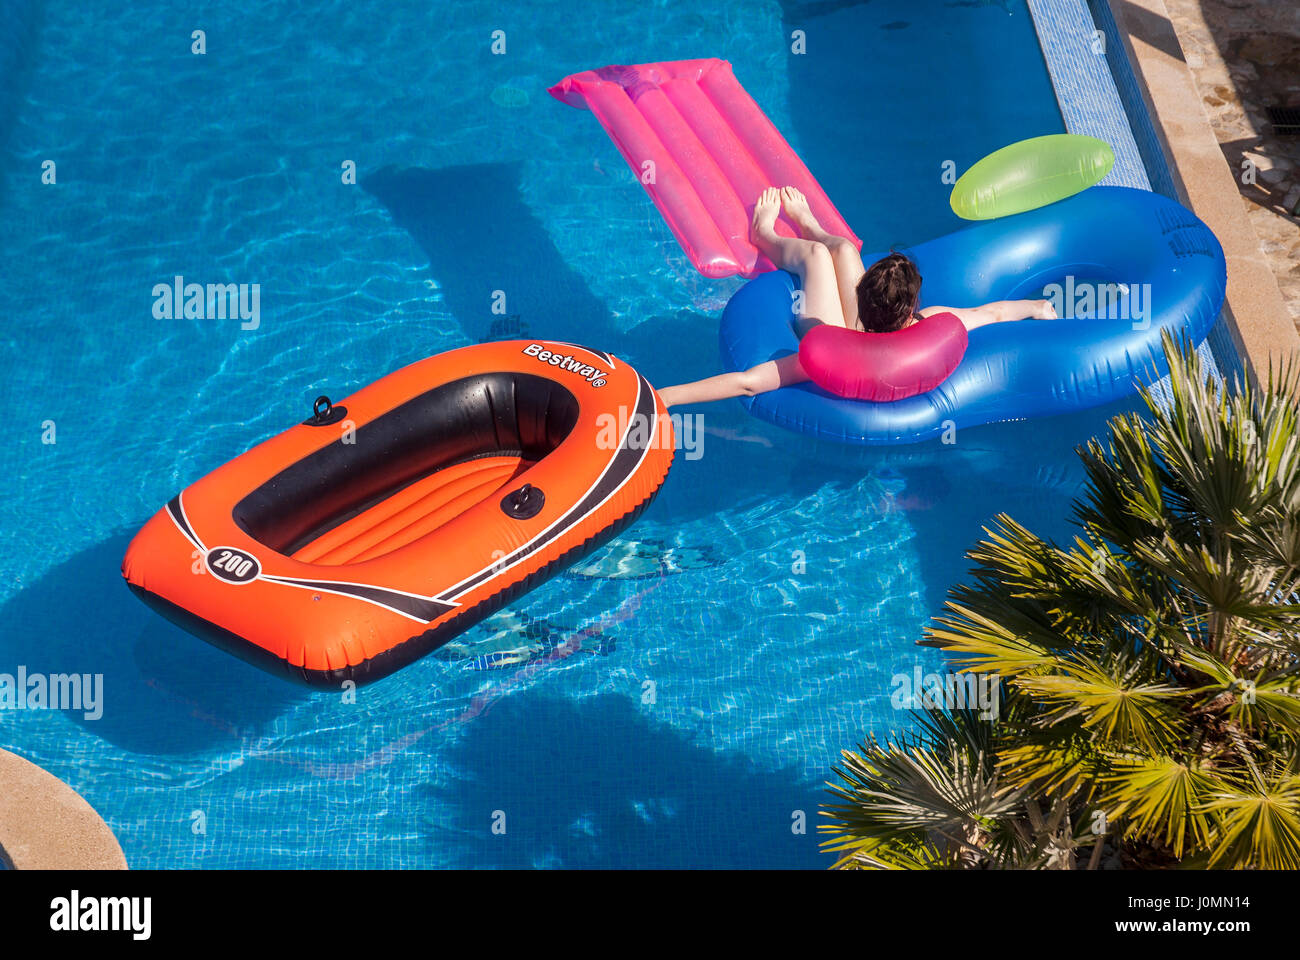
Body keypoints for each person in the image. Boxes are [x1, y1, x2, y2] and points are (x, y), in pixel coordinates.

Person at [657, 187, 1057, 407]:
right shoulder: (930, 319)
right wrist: (1037, 307)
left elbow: (748, 383)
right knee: (845, 250)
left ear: (861, 295)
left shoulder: (833, 360)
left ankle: (768, 236)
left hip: (841, 337)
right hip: (864, 333)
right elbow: (991, 312)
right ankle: (809, 224)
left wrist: (665, 397)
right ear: (912, 308)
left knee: (817, 256)